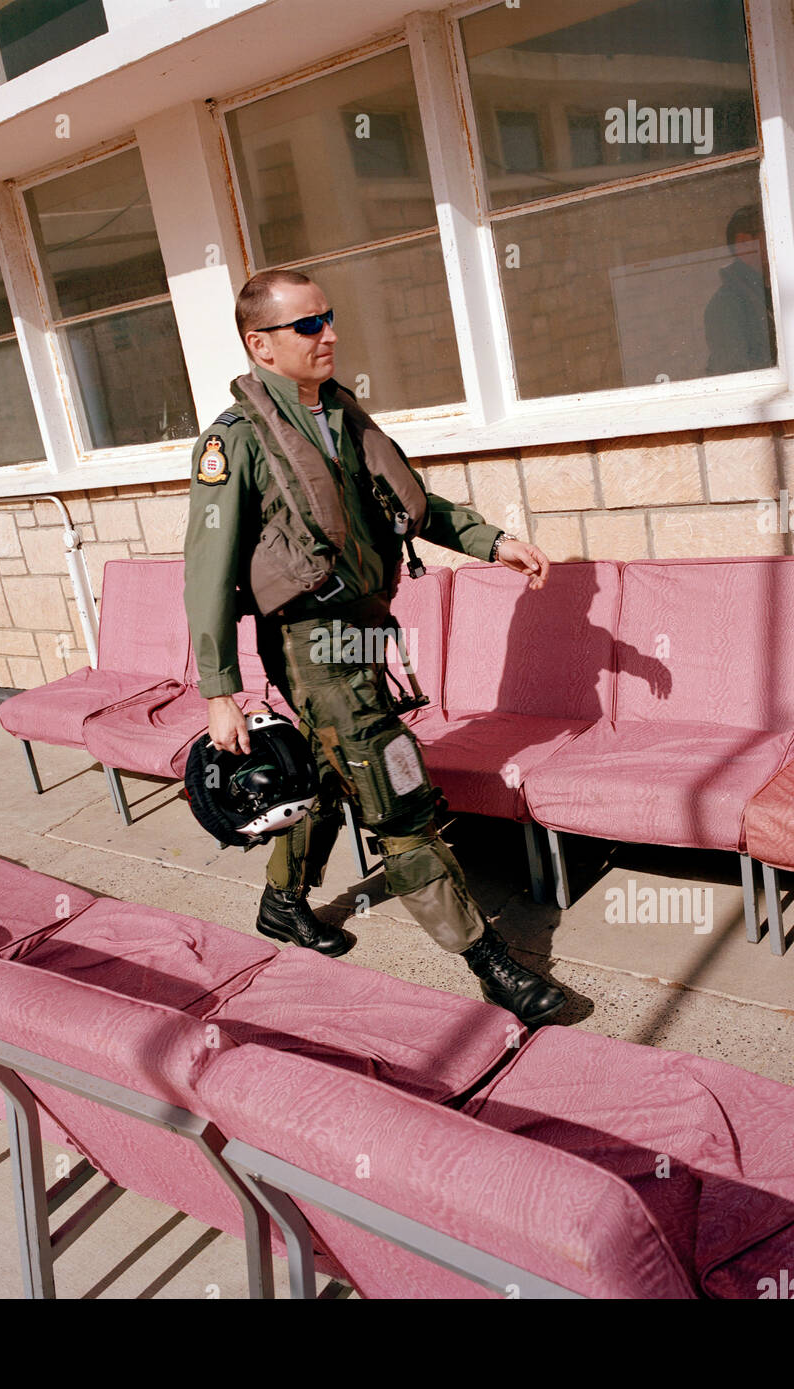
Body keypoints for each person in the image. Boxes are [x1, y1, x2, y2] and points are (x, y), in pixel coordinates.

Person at [182, 269, 565, 1026]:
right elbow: (207, 565)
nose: (328, 334)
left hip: (362, 630)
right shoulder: (235, 443)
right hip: (306, 643)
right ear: (260, 343)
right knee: (395, 789)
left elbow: (413, 503)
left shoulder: (339, 420)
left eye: (328, 318)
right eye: (307, 325)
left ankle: (282, 904)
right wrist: (218, 687)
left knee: (331, 774)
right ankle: (491, 964)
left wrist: (494, 542)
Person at [704, 204, 776, 377]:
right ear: (744, 243)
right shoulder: (726, 305)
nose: (779, 241)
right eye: (770, 234)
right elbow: (735, 378)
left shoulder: (767, 291)